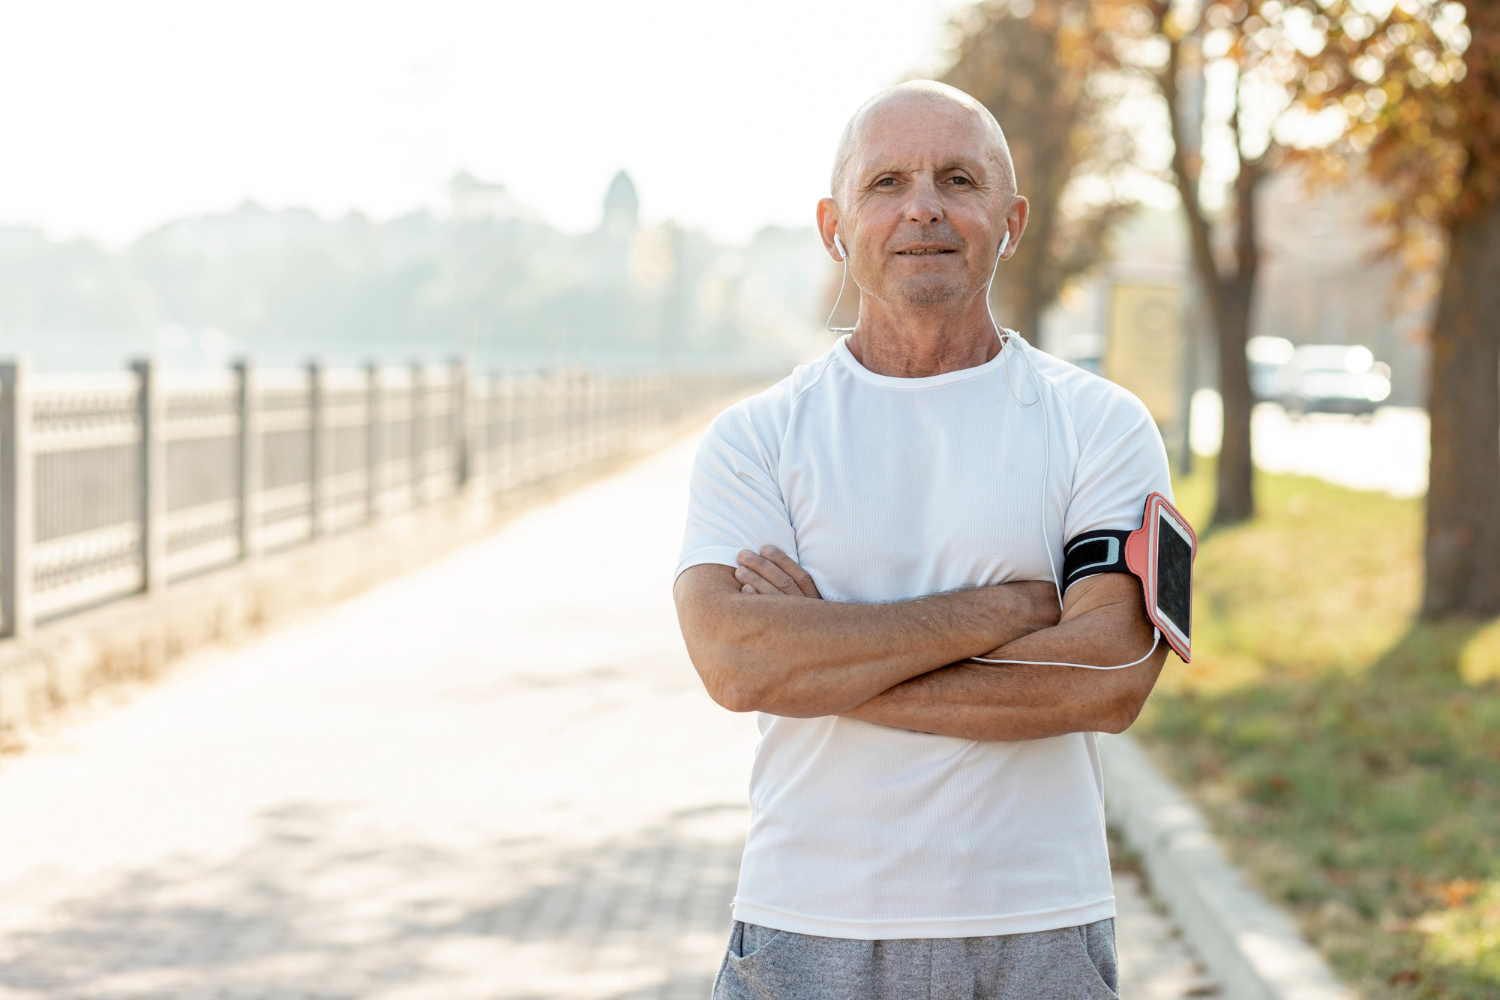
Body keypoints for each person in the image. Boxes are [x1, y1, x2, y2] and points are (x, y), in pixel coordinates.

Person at [673, 80, 1170, 999]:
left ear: (1010, 220)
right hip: (805, 930)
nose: (923, 207)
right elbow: (739, 664)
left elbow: (1108, 674)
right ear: (835, 223)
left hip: (1038, 933)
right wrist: (1002, 611)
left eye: (957, 179)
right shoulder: (756, 438)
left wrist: (826, 661)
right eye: (887, 182)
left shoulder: (1103, 426)